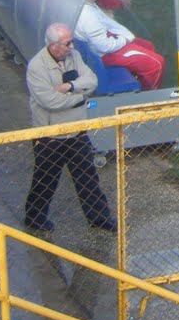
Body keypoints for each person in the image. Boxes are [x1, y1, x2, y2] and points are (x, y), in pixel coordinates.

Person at [23, 23, 116, 234]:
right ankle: (34, 218)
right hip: (50, 136)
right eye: (67, 43)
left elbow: (91, 80)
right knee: (45, 180)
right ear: (54, 46)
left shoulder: (73, 56)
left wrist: (70, 87)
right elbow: (49, 101)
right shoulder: (37, 67)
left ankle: (99, 218)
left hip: (76, 130)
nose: (71, 46)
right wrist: (80, 98)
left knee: (87, 178)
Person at [75, 0, 166, 89]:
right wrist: (125, 39)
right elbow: (104, 46)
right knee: (157, 64)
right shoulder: (87, 16)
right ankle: (150, 96)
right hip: (106, 54)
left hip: (106, 45)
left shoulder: (86, 3)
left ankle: (138, 78)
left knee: (148, 46)